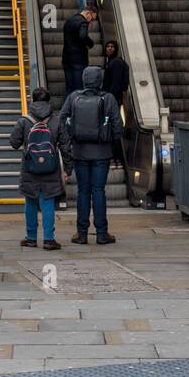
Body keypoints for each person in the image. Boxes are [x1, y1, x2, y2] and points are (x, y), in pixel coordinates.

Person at [60, 66, 123, 246]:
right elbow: (117, 126)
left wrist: (71, 139)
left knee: (83, 192)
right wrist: (111, 140)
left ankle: (82, 233)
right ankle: (102, 233)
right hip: (102, 153)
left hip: (79, 152)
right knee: (98, 191)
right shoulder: (108, 98)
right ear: (100, 80)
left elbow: (62, 119)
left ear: (84, 79)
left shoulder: (73, 97)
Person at [9, 87, 72, 250]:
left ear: (33, 101)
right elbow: (66, 146)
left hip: (29, 167)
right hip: (51, 168)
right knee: (48, 201)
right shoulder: (56, 121)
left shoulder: (24, 121)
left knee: (30, 201)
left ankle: (30, 238)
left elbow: (14, 143)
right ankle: (49, 239)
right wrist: (68, 169)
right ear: (49, 101)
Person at [62, 5, 97, 96]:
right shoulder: (83, 23)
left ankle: (67, 108)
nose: (91, 21)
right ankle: (77, 108)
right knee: (79, 88)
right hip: (79, 60)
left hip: (66, 58)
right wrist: (90, 43)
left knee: (69, 87)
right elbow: (83, 36)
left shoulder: (69, 21)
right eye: (92, 18)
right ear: (88, 13)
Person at [102, 40, 130, 104]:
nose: (110, 48)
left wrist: (110, 97)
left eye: (112, 46)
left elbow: (116, 81)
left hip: (114, 97)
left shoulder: (116, 62)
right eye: (108, 46)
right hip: (112, 96)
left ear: (115, 49)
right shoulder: (109, 61)